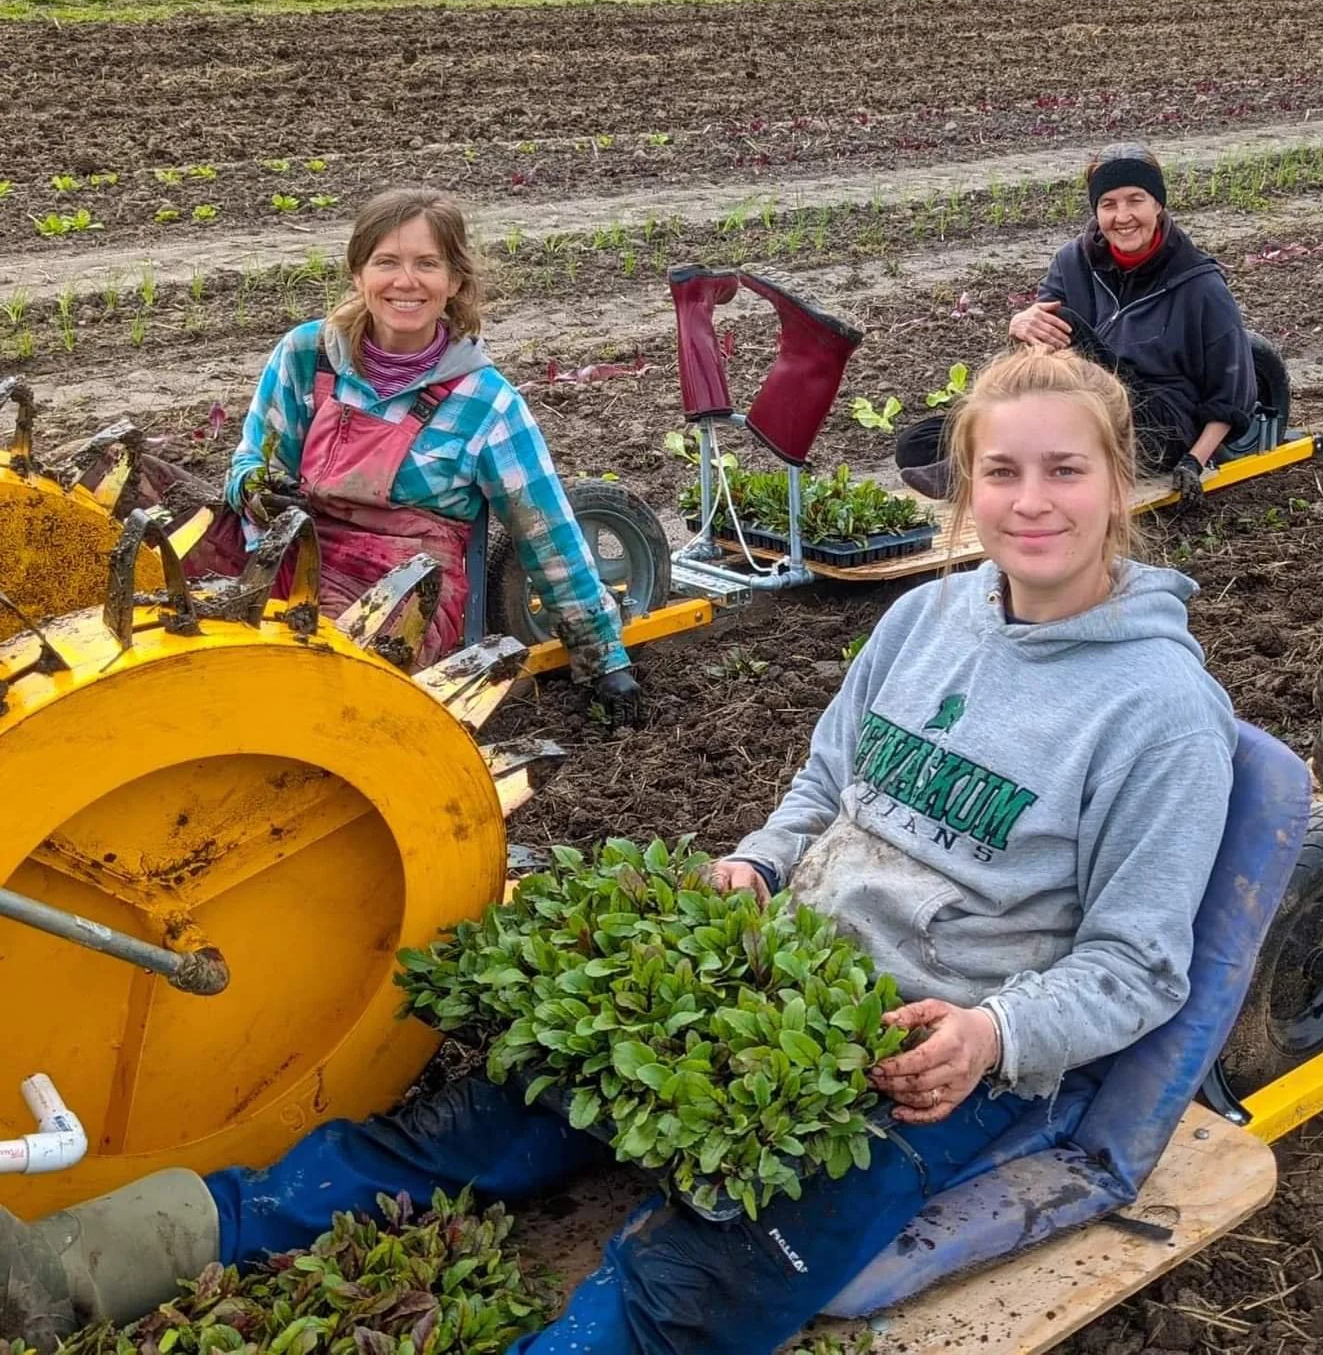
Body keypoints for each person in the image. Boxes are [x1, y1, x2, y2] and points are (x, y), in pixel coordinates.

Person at [0, 348, 1237, 1355]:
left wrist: (991, 1039)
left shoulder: (1160, 715)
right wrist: (755, 866)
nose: (1031, 502)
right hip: (774, 983)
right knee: (471, 1131)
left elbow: (1136, 971)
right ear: (963, 485)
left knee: (691, 1283)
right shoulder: (925, 617)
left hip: (930, 1060)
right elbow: (822, 786)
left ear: (1116, 483)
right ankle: (76, 1264)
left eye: (1064, 472)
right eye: (1003, 471)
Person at [195, 187, 639, 718]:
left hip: (405, 585)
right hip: (296, 549)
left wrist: (603, 658)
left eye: (427, 264)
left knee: (315, 676)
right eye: (387, 262)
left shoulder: (486, 402)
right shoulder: (306, 355)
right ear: (358, 273)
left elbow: (546, 533)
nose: (406, 281)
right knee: (174, 579)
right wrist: (252, 486)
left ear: (454, 282)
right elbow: (252, 461)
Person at [895, 143, 1255, 502]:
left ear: (1158, 204)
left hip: (1154, 423)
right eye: (1108, 204)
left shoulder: (1200, 284)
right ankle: (994, 460)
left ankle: (986, 470)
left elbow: (1232, 395)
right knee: (917, 444)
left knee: (1062, 321)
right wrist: (1019, 324)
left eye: (1136, 200)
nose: (1123, 216)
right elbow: (1037, 347)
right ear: (1096, 210)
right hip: (1072, 404)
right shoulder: (1072, 262)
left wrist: (1193, 461)